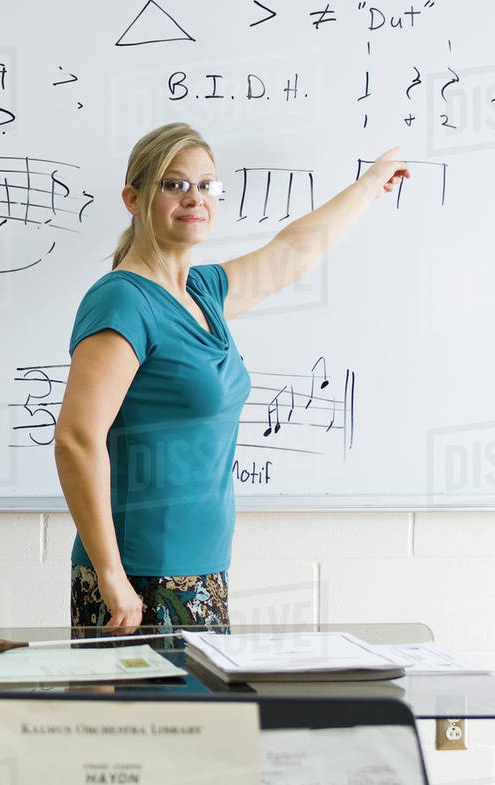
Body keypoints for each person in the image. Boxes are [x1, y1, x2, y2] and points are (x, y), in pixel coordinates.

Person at [54, 123, 409, 630]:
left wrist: (369, 185)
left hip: (203, 571)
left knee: (204, 712)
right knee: (148, 715)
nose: (194, 198)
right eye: (174, 184)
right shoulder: (123, 300)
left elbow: (291, 255)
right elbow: (75, 439)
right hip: (140, 578)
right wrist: (112, 578)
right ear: (133, 198)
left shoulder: (202, 292)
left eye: (206, 185)